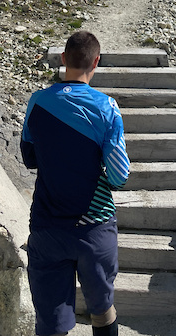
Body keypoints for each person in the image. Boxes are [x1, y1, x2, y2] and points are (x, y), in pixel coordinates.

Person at [21, 31, 130, 336]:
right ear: (96, 62)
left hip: (47, 227)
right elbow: (120, 175)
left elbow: (29, 158)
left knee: (51, 323)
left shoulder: (38, 102)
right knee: (102, 311)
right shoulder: (107, 108)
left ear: (63, 59)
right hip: (94, 229)